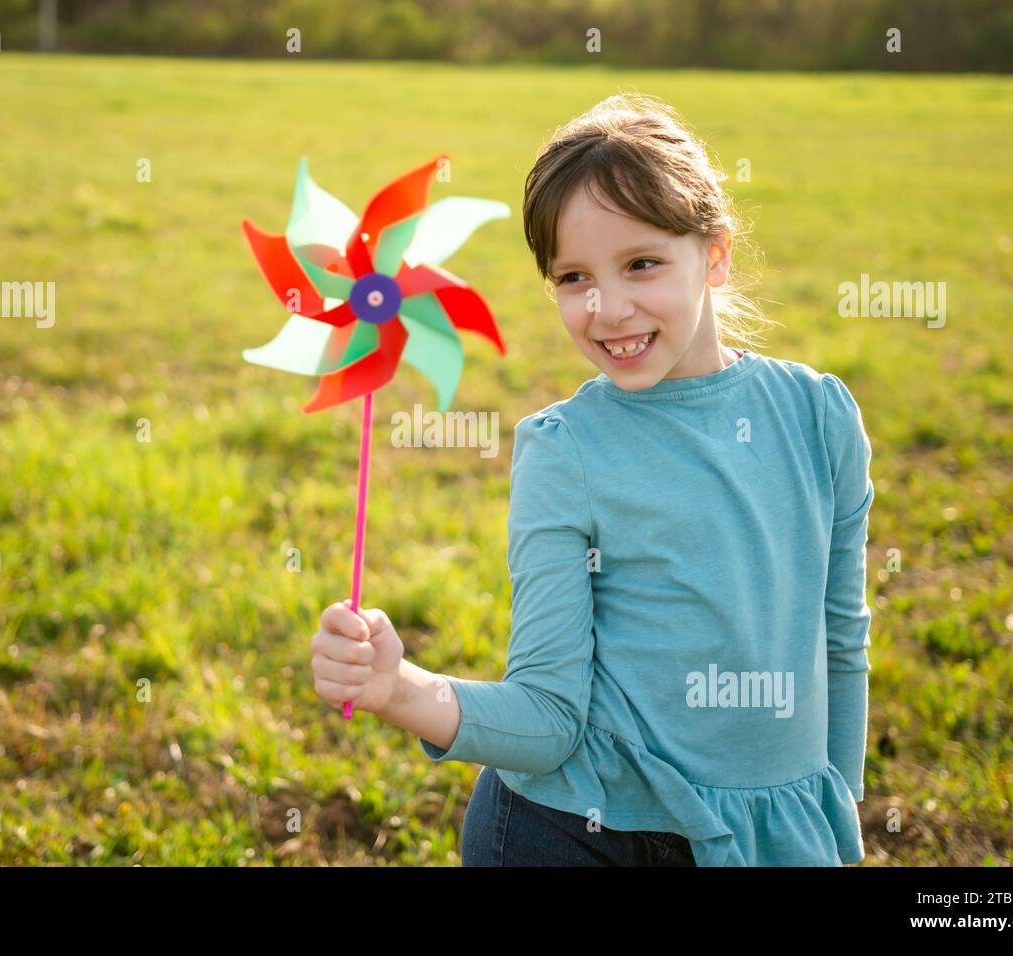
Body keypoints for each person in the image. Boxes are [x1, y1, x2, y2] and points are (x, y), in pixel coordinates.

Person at [309, 92, 874, 867]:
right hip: (577, 833)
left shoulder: (819, 416)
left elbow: (840, 635)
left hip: (776, 834)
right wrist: (399, 687)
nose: (606, 308)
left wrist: (834, 798)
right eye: (573, 278)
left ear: (714, 252)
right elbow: (549, 718)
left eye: (641, 263)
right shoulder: (564, 450)